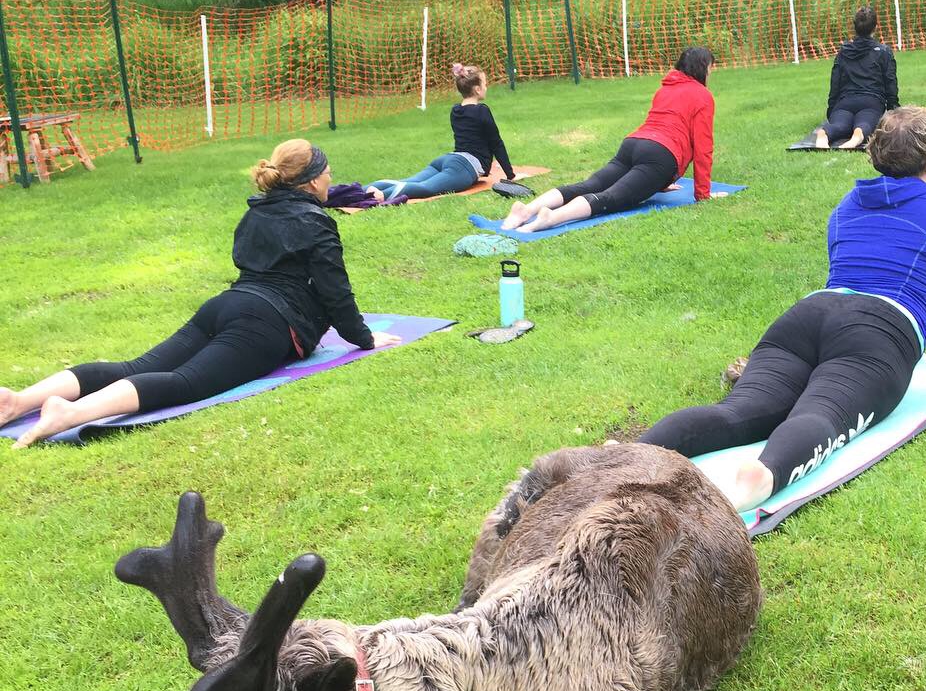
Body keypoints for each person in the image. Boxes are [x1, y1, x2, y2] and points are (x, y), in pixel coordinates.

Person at [638, 106, 926, 513]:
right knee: (824, 413)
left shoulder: (847, 206)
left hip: (807, 316)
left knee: (737, 412)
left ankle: (624, 456)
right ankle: (759, 478)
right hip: (879, 331)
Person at [1, 139, 400, 448]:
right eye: (328, 173)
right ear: (313, 180)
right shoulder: (315, 222)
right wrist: (364, 339)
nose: (331, 179)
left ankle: (20, 401)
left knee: (132, 366)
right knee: (185, 383)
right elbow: (336, 293)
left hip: (223, 307)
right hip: (266, 323)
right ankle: (68, 414)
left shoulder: (255, 211)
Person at [503, 47, 721, 233]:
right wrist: (703, 194)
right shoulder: (703, 96)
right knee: (610, 198)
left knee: (589, 185)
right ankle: (550, 218)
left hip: (633, 144)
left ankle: (527, 210)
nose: (711, 74)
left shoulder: (665, 89)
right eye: (711, 69)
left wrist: (660, 181)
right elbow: (703, 148)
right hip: (660, 155)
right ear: (702, 69)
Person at [365, 64, 517, 201]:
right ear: (477, 89)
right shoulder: (482, 111)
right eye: (485, 84)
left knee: (409, 180)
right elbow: (496, 143)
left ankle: (362, 190)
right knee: (426, 188)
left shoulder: (455, 110)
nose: (486, 87)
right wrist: (510, 175)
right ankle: (381, 195)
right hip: (463, 166)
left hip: (447, 159)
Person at [814, 5, 899, 151]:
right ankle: (857, 136)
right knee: (865, 123)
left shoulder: (843, 51)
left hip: (845, 101)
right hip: (871, 101)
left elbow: (835, 81)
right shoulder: (884, 52)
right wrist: (893, 109)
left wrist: (832, 108)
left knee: (839, 125)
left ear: (855, 27)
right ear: (875, 27)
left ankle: (824, 134)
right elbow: (890, 83)